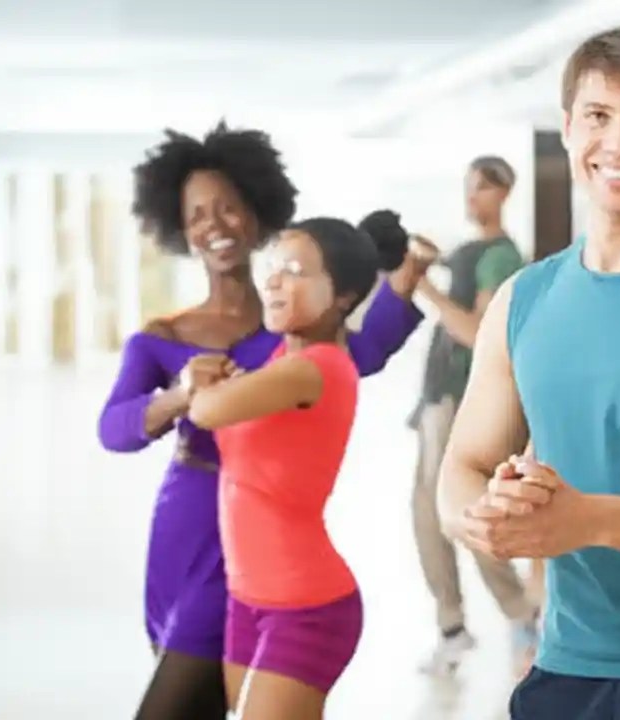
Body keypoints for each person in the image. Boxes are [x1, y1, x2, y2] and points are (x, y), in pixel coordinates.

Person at [435, 26, 620, 719]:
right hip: (564, 665)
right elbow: (463, 467)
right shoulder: (524, 299)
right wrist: (486, 521)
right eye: (600, 117)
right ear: (569, 129)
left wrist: (586, 522)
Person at [96, 122, 425, 719]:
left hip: (255, 546)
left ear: (257, 214)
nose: (215, 225)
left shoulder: (292, 335)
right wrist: (178, 396)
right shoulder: (164, 337)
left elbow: (358, 351)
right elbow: (113, 431)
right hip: (187, 524)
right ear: (180, 228)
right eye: (197, 214)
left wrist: (401, 283)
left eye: (229, 208)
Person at [186, 215, 394, 716]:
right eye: (274, 267)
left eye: (297, 270)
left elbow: (205, 410)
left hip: (307, 607)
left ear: (342, 296)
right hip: (247, 598)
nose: (275, 279)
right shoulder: (281, 358)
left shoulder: (314, 368)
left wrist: (198, 380)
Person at [406, 155, 537, 675]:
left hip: (465, 402)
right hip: (437, 398)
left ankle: (522, 611)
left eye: (481, 188)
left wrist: (425, 287)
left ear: (503, 192)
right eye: (468, 187)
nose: (471, 196)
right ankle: (453, 625)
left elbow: (479, 332)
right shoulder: (467, 253)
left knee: (464, 513)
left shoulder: (501, 257)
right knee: (428, 516)